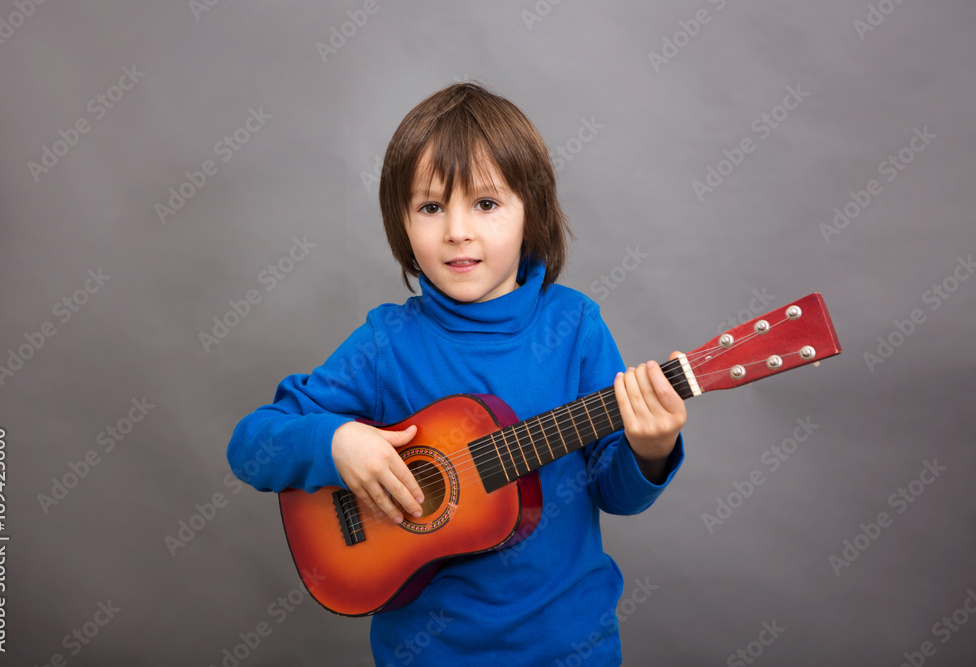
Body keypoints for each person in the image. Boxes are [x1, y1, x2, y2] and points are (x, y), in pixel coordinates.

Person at [227, 81, 686, 666]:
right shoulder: (386, 343)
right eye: (431, 206)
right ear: (402, 222)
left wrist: (651, 448)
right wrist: (335, 442)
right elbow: (251, 444)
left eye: (487, 204)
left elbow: (617, 495)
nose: (457, 231)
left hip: (571, 645)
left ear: (531, 213)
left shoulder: (574, 327)